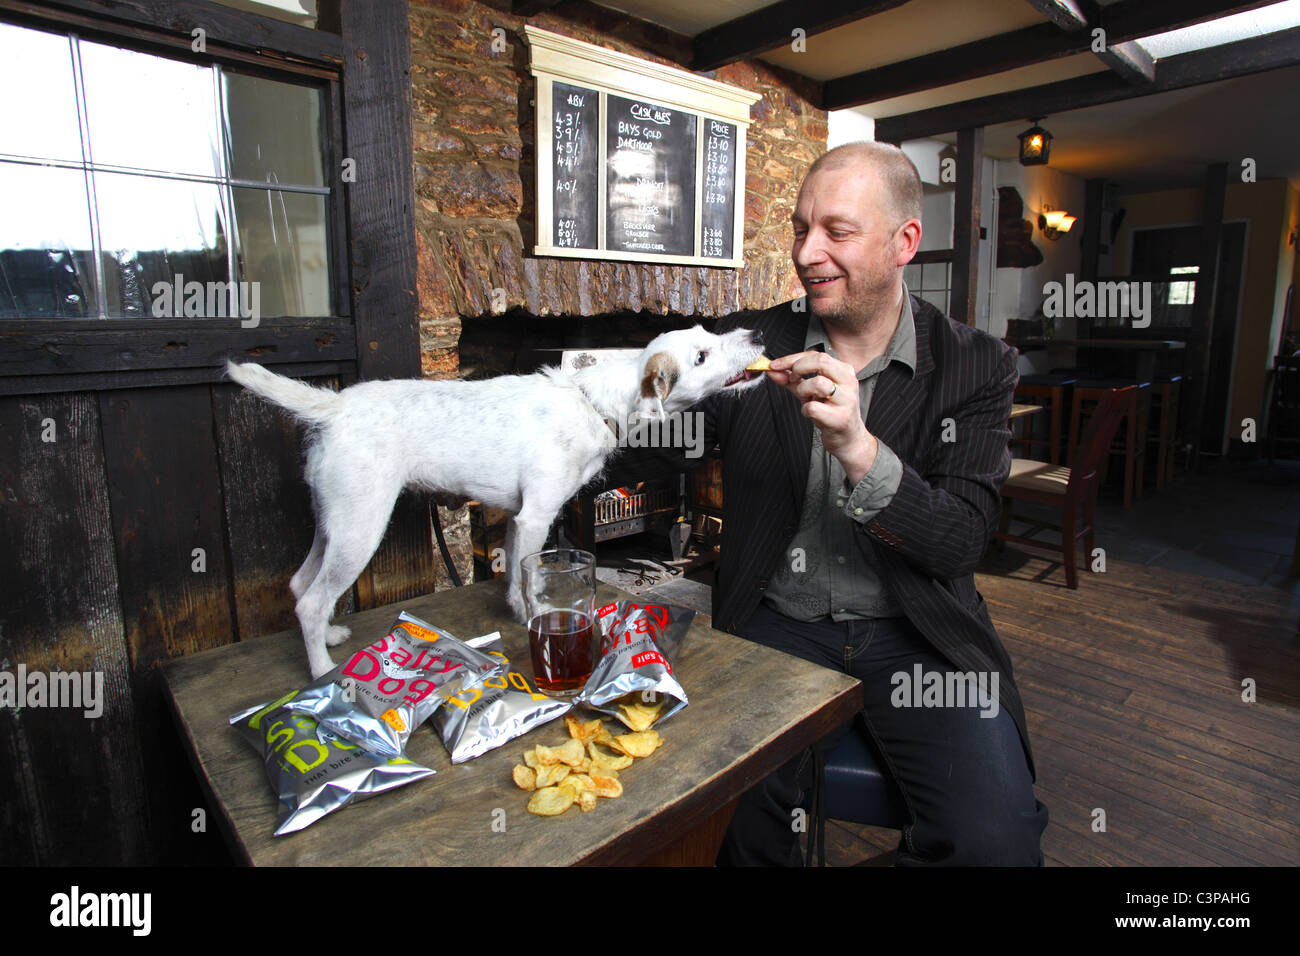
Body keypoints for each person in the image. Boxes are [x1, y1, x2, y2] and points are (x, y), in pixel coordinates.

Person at [640, 141, 1049, 865]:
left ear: (904, 243)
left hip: (916, 635)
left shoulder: (978, 364)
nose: (808, 251)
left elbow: (959, 542)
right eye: (800, 228)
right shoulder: (748, 346)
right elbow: (665, 443)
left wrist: (859, 447)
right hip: (778, 624)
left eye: (837, 230)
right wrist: (641, 396)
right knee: (726, 815)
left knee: (997, 845)